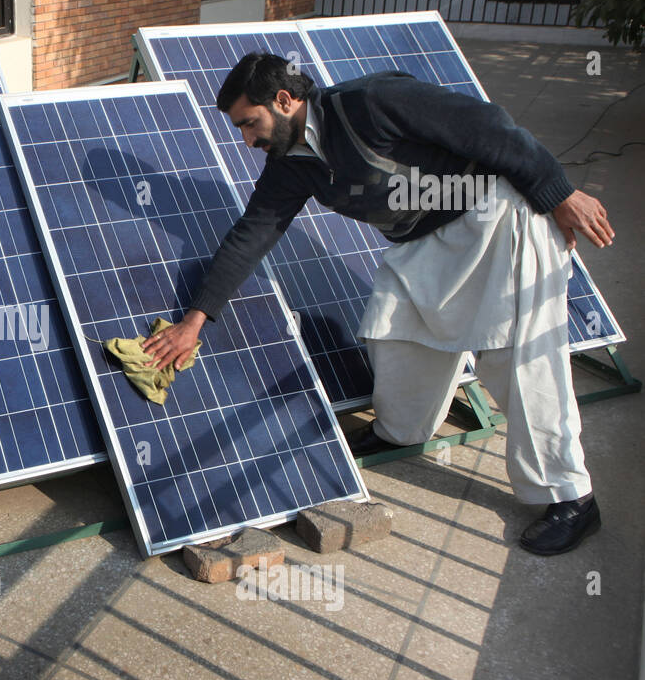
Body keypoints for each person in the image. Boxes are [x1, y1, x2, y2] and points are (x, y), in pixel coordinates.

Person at [140, 52, 614, 556]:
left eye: (249, 123)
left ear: (284, 99)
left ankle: (571, 497)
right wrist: (195, 321)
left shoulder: (370, 103)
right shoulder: (292, 165)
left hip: (494, 216)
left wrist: (558, 193)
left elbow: (489, 127)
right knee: (394, 333)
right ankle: (400, 433)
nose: (247, 140)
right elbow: (250, 237)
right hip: (421, 243)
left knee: (517, 362)